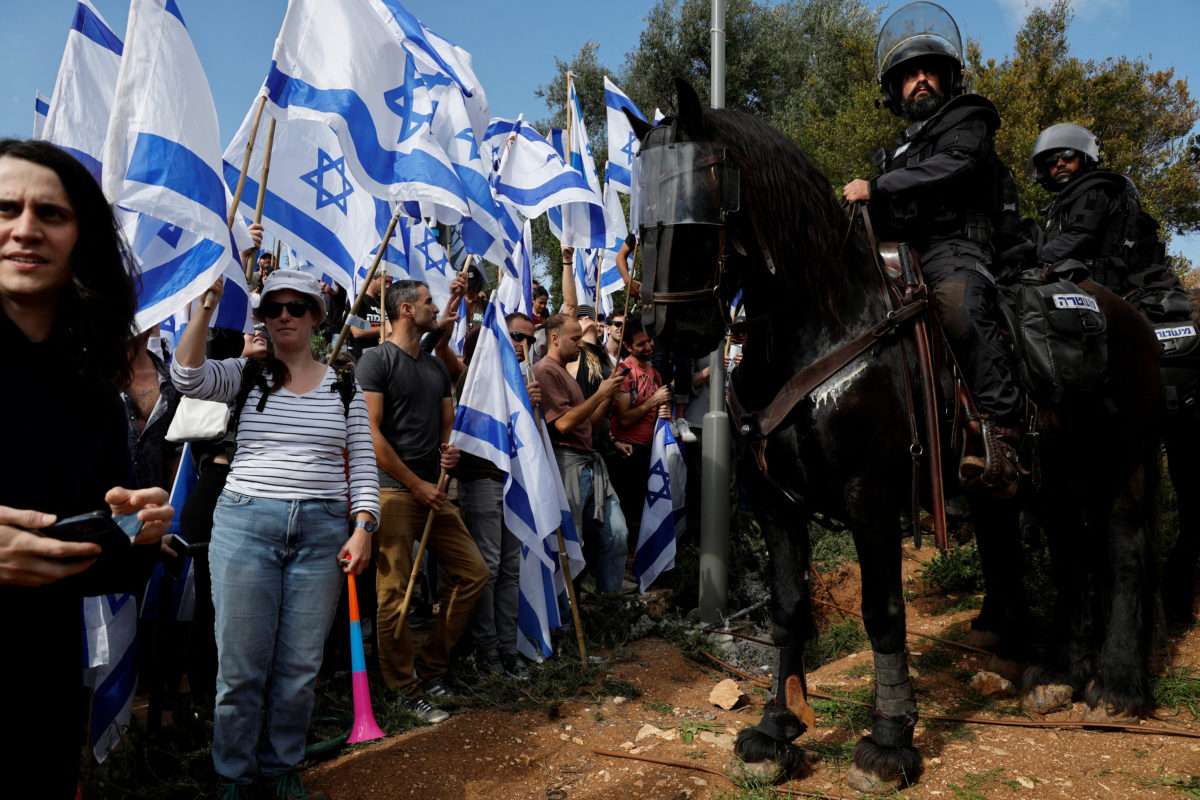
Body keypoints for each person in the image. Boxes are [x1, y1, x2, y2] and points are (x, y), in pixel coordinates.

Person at [0, 138, 173, 799]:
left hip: (40, 688)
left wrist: (134, 532)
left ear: (82, 236)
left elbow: (92, 561)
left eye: (51, 212)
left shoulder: (90, 384)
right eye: (4, 207)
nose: (24, 228)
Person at [172, 270, 380, 800]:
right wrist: (204, 309)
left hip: (323, 531)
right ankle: (234, 777)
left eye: (295, 307)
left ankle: (281, 766)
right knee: (240, 669)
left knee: (300, 667)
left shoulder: (346, 384)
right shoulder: (245, 374)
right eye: (273, 308)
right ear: (262, 318)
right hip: (245, 527)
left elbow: (362, 460)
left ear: (315, 315)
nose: (283, 315)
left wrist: (363, 527)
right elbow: (187, 377)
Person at [843, 3, 1022, 496]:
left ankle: (1003, 436)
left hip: (955, 248)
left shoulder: (969, 118)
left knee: (958, 306)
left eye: (929, 71)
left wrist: (876, 187)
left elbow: (955, 165)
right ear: (895, 89)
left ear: (947, 79)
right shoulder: (896, 149)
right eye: (909, 75)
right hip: (902, 256)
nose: (920, 80)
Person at [1030, 123, 1200, 621]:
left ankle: (1181, 569)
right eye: (1049, 161)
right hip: (1099, 299)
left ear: (1085, 159)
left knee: (1176, 435)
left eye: (1066, 157)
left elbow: (1077, 243)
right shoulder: (1060, 205)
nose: (1058, 166)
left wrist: (1027, 260)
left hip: (1132, 293)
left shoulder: (1097, 191)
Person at [356, 280, 488, 721]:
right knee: (394, 592)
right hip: (392, 492)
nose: (438, 308)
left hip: (432, 492)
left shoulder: (435, 369)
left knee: (474, 572)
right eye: (430, 302)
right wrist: (415, 484)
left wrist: (449, 450)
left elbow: (446, 424)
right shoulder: (375, 360)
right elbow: (371, 435)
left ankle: (431, 669)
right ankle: (403, 688)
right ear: (408, 310)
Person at [455, 311, 540, 679]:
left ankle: (508, 647)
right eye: (510, 341)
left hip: (511, 483)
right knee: (488, 569)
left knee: (510, 569)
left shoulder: (515, 384)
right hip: (481, 482)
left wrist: (527, 404)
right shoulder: (469, 384)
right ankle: (487, 648)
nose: (518, 347)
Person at [533, 313, 630, 594]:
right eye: (575, 339)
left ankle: (610, 607)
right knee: (569, 543)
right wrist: (600, 394)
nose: (580, 345)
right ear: (554, 338)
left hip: (589, 463)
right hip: (567, 464)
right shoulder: (546, 371)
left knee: (617, 534)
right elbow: (563, 424)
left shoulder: (564, 371)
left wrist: (608, 393)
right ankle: (564, 618)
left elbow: (587, 423)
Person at [608, 318, 672, 531]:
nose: (649, 347)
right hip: (627, 453)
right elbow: (624, 419)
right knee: (627, 512)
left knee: (642, 513)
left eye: (650, 341)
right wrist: (653, 401)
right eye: (641, 344)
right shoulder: (624, 373)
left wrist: (664, 413)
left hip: (649, 452)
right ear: (627, 347)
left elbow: (658, 414)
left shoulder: (654, 373)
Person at [348, 269, 392, 361]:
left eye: (390, 283)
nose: (388, 286)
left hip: (385, 357)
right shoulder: (357, 300)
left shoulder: (387, 303)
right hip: (364, 359)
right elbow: (357, 330)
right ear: (372, 278)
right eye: (385, 281)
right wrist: (384, 329)